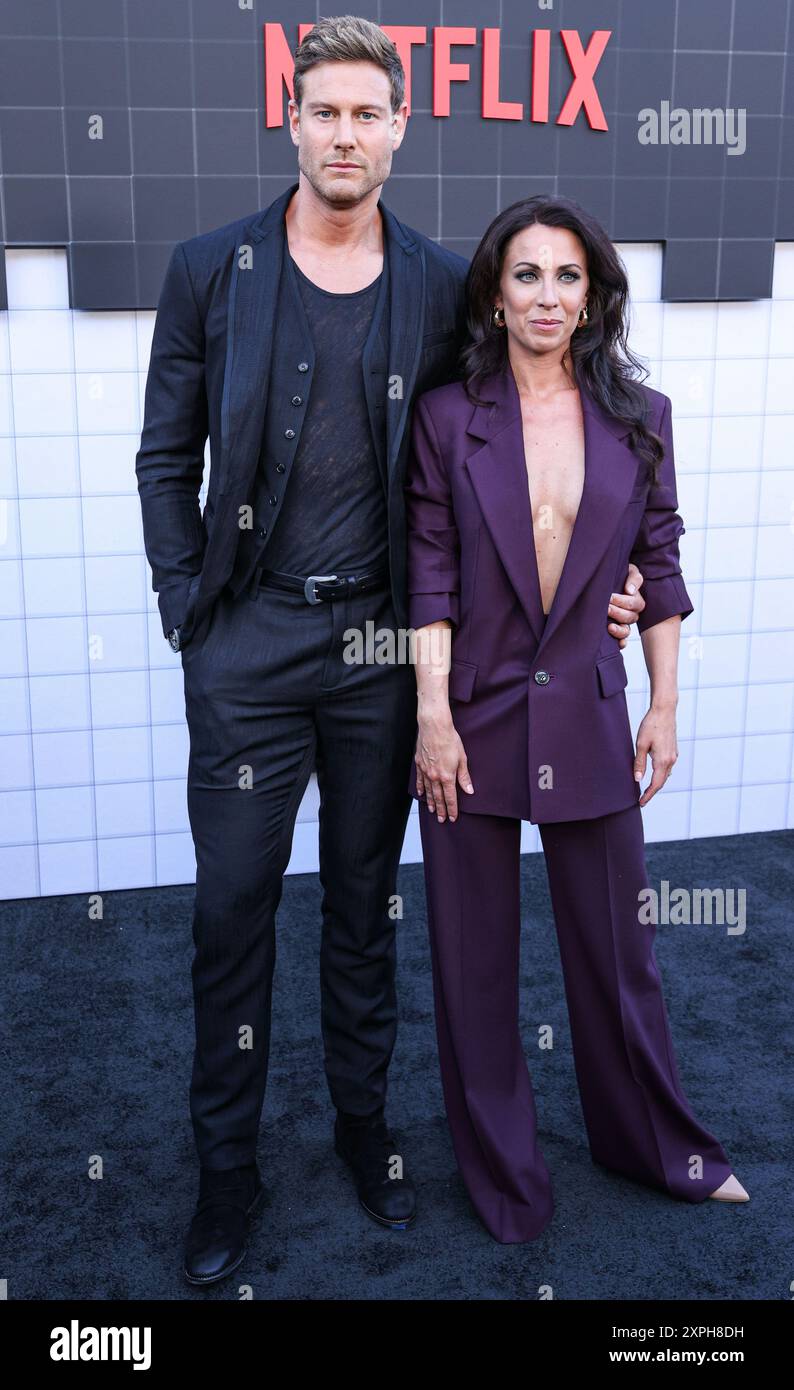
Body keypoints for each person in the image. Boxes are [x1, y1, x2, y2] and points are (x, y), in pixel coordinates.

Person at [136, 18, 645, 1286]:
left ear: (399, 126)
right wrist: (187, 609)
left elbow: (516, 436)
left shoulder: (437, 284)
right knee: (230, 916)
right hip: (247, 644)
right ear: (291, 119)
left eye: (369, 114)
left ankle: (369, 1143)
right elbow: (164, 454)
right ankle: (227, 1176)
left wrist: (601, 584)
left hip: (383, 648)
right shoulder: (212, 269)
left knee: (363, 913)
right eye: (325, 112)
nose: (345, 134)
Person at [404, 194, 749, 1243]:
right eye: (525, 275)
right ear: (494, 295)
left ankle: (655, 1145)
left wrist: (664, 703)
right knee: (472, 962)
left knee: (618, 954)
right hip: (470, 714)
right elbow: (427, 578)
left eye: (566, 276)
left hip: (592, 713)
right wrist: (430, 718)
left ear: (593, 293)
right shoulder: (444, 416)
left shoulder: (641, 416)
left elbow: (659, 564)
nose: (546, 295)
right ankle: (504, 1178)